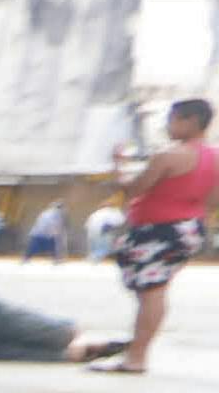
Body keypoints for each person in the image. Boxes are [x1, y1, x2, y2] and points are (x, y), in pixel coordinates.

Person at [76, 96, 214, 373]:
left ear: (191, 121)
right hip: (190, 226)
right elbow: (213, 199)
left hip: (159, 228)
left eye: (173, 119)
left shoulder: (170, 155)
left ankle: (137, 357)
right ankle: (138, 351)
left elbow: (135, 188)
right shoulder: (214, 156)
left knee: (151, 292)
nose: (168, 126)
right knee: (156, 290)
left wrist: (118, 168)